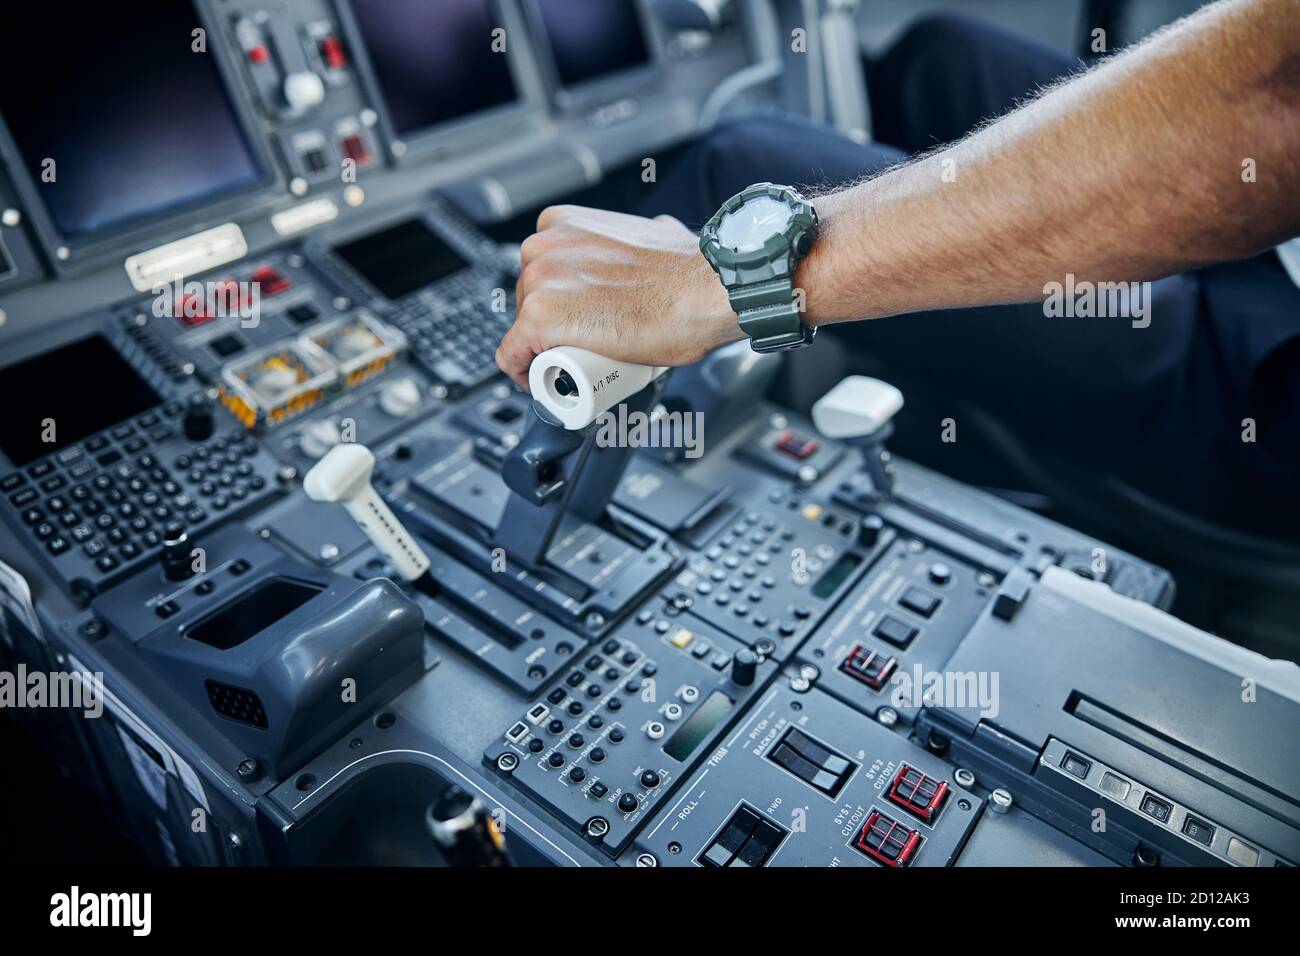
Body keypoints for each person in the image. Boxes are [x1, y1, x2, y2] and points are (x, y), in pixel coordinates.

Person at [496, 0, 1300, 536]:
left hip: (1270, 377)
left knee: (733, 167)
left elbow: (1275, 111)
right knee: (940, 55)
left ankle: (520, 330)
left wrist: (715, 283)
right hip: (1280, 255)